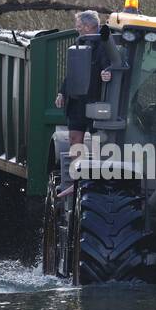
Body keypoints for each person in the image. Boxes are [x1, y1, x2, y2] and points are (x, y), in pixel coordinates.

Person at [54, 10, 112, 196]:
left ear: (88, 27)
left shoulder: (105, 45)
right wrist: (62, 92)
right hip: (77, 101)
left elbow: (111, 66)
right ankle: (75, 178)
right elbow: (72, 71)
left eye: (79, 27)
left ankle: (93, 178)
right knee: (74, 139)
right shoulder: (79, 43)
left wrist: (107, 73)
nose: (77, 30)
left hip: (97, 102)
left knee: (98, 141)